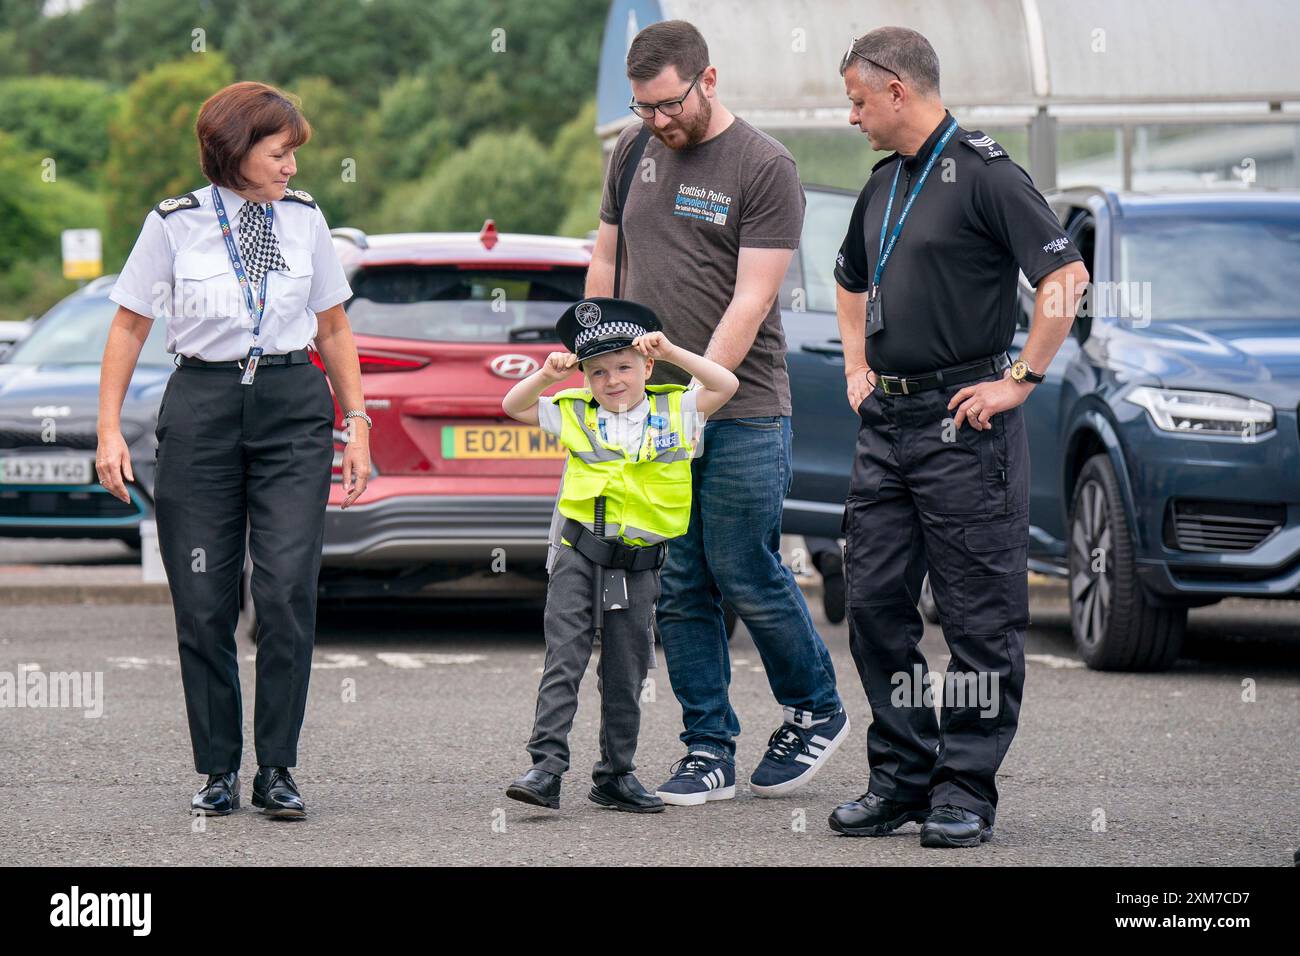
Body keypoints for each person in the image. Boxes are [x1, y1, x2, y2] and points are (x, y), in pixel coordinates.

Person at [827, 27, 1089, 847]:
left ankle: (963, 788)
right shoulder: (882, 185)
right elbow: (848, 280)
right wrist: (854, 369)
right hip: (887, 425)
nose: (852, 118)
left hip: (963, 424)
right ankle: (902, 778)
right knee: (873, 607)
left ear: (897, 91)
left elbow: (1065, 276)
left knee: (978, 619)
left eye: (858, 101)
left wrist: (1022, 380)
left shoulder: (983, 173)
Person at [587, 18, 848, 808]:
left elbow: (752, 298)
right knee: (679, 581)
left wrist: (701, 402)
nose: (657, 122)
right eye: (642, 108)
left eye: (667, 105)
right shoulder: (630, 153)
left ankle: (815, 707)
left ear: (707, 79)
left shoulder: (764, 166)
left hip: (742, 408)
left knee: (744, 566)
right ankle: (708, 747)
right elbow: (606, 256)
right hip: (651, 405)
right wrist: (597, 357)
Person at [96, 81, 371, 819]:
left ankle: (276, 768)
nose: (290, 167)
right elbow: (128, 327)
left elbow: (334, 328)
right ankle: (217, 768)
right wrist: (108, 427)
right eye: (279, 153)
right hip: (202, 413)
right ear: (236, 149)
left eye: (293, 155)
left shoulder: (307, 217)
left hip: (291, 411)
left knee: (285, 593)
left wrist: (359, 422)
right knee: (205, 603)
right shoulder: (174, 224)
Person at [502, 297, 738, 813]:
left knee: (627, 669)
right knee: (564, 657)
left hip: (639, 563)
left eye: (625, 367)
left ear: (648, 367)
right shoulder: (575, 411)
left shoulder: (678, 408)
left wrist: (675, 350)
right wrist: (546, 375)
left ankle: (615, 774)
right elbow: (513, 407)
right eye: (598, 371)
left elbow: (726, 384)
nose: (612, 381)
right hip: (579, 552)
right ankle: (545, 768)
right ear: (585, 376)